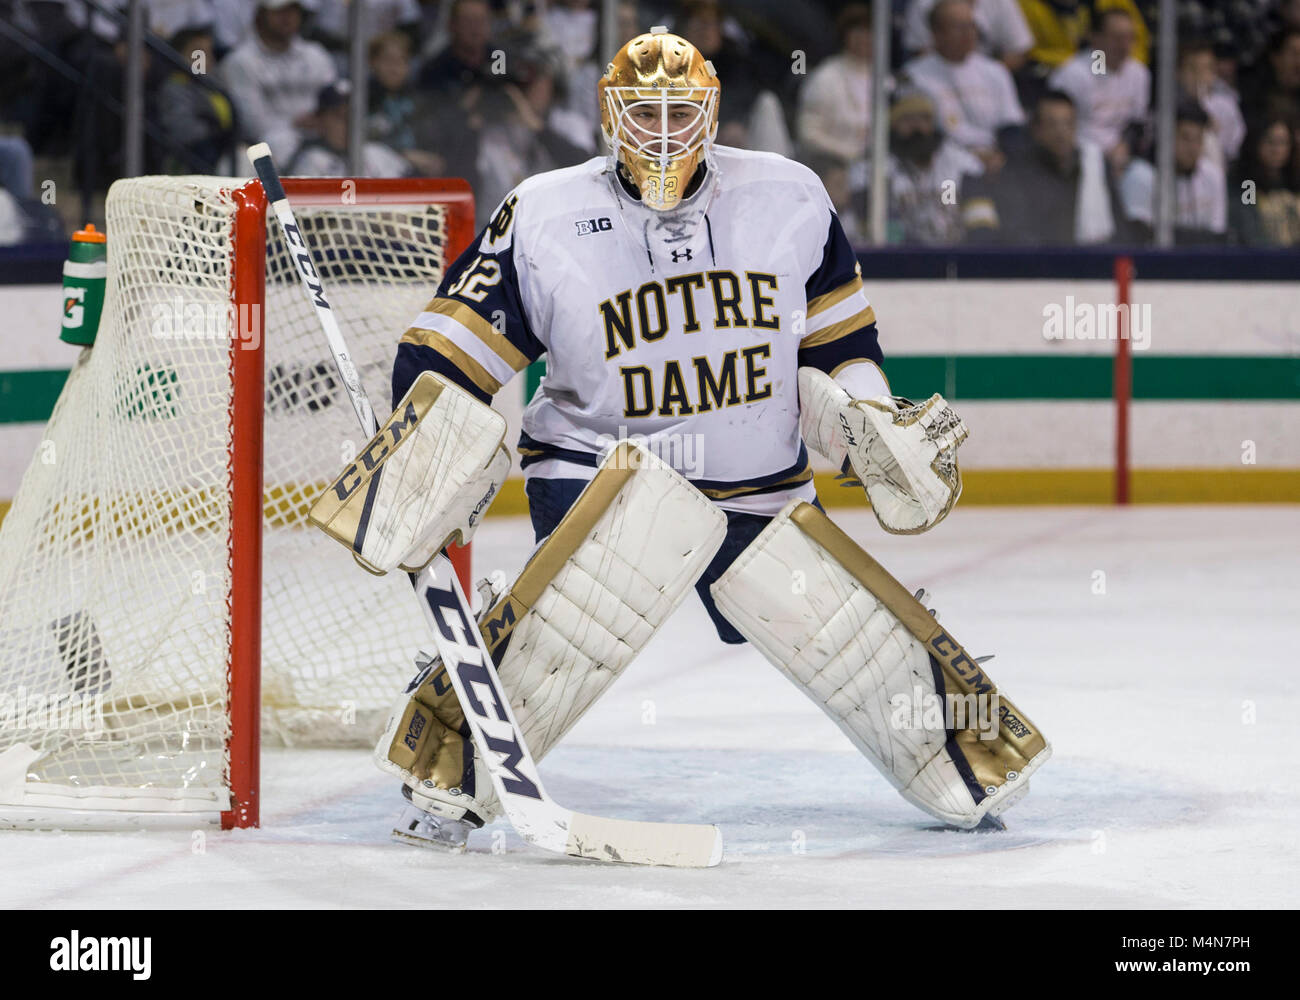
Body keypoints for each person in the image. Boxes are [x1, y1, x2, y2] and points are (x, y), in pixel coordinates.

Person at [343, 27, 1046, 851]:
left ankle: (956, 755)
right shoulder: (545, 210)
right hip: (599, 469)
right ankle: (453, 766)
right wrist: (431, 441)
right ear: (609, 113)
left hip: (760, 483)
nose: (665, 132)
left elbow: (841, 349)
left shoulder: (789, 195)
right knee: (594, 593)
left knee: (844, 634)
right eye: (645, 112)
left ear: (714, 112)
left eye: (683, 112)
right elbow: (443, 352)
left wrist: (871, 421)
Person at [962, 89, 1121, 244]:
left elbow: (1119, 227)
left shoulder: (1094, 167)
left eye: (1068, 124)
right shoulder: (1016, 173)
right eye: (1052, 125)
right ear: (1036, 129)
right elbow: (1014, 234)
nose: (1061, 133)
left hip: (1093, 262)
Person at [901, 0, 1025, 172]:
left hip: (993, 164)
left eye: (971, 26)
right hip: (943, 166)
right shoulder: (914, 76)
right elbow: (916, 133)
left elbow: (1011, 124)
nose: (968, 33)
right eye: (958, 27)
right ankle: (947, 200)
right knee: (948, 197)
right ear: (937, 32)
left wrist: (1001, 155)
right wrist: (965, 155)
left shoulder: (996, 72)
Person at [220, 0, 337, 163]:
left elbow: (335, 99)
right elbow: (252, 124)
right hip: (270, 144)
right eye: (280, 11)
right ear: (260, 15)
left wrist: (323, 119)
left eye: (293, 11)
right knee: (285, 145)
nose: (287, 18)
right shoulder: (240, 61)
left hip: (322, 135)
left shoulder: (316, 54)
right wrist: (294, 124)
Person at [1047, 7, 1149, 173]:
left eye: (1129, 38)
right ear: (1096, 37)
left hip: (1119, 155)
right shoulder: (1075, 73)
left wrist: (1124, 146)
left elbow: (1136, 122)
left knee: (1143, 174)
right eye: (1117, 38)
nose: (1124, 45)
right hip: (1080, 153)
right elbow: (1060, 123)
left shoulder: (1139, 73)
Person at [882, 86, 983, 245]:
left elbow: (981, 223)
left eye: (924, 119)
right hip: (904, 258)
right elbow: (882, 230)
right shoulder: (880, 167)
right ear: (893, 125)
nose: (918, 127)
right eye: (908, 119)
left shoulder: (960, 160)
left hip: (958, 253)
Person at [1119, 98, 1227, 245]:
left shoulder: (1212, 176)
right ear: (1165, 137)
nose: (1193, 148)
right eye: (1185, 138)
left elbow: (1217, 236)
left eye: (1198, 139)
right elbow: (1139, 239)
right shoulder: (1140, 177)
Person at [796, 3, 874, 169]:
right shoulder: (825, 76)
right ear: (845, 35)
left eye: (869, 31)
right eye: (857, 31)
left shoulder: (887, 80)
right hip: (831, 168)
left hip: (877, 169)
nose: (864, 38)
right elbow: (808, 133)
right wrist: (850, 154)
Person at [286, 80, 411, 176]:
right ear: (320, 121)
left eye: (353, 117)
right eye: (339, 117)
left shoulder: (377, 153)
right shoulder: (310, 161)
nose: (348, 125)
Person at [1229, 115, 1300, 247]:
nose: (1276, 150)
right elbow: (1248, 229)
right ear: (1256, 144)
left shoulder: (1293, 182)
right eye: (1270, 142)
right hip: (1263, 259)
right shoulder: (1248, 184)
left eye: (1283, 143)